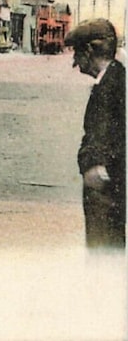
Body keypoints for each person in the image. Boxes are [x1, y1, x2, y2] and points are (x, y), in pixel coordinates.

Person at [64, 18, 125, 249]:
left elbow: (107, 133)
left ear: (89, 51)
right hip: (107, 185)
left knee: (104, 250)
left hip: (105, 190)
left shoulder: (112, 86)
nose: (75, 62)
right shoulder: (114, 78)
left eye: (77, 53)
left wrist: (98, 165)